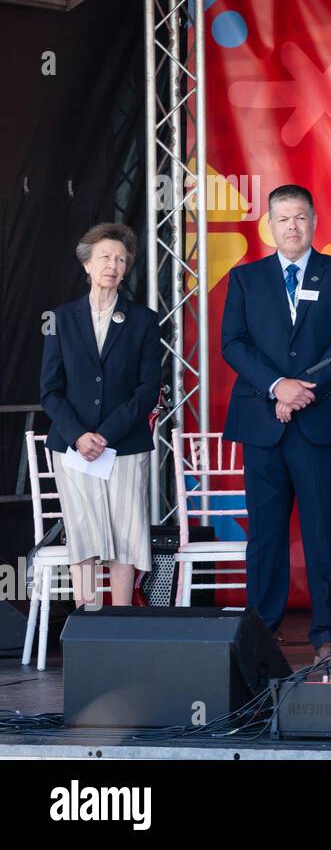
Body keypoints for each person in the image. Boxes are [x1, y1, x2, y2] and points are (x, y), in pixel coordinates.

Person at [221, 184, 331, 661]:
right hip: (263, 422)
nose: (292, 226)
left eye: (300, 217)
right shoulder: (247, 279)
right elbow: (234, 343)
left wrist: (302, 389)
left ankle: (327, 633)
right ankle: (261, 629)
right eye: (282, 218)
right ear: (270, 224)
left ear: (314, 222)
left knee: (323, 530)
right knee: (265, 533)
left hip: (320, 420)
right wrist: (277, 387)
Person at [40, 223, 162, 607]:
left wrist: (106, 434)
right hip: (73, 448)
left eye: (121, 259)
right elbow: (50, 390)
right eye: (105, 257)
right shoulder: (59, 318)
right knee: (85, 534)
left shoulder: (143, 320)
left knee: (126, 536)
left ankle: (121, 624)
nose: (113, 264)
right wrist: (79, 435)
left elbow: (147, 389)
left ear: (126, 270)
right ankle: (88, 625)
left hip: (123, 445)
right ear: (87, 265)